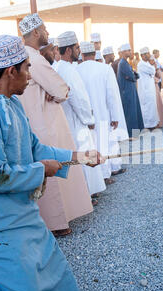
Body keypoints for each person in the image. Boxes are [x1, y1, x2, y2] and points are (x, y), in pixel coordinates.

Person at [0, 34, 104, 291]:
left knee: (56, 278)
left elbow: (34, 148)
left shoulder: (12, 103)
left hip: (22, 213)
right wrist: (40, 170)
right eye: (27, 68)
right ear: (11, 71)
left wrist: (80, 156)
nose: (30, 75)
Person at [17, 14, 93, 236]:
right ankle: (57, 223)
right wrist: (59, 93)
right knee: (52, 170)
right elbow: (61, 90)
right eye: (45, 30)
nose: (48, 34)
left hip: (33, 122)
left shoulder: (25, 56)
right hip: (44, 123)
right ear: (36, 33)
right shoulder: (35, 58)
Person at [55, 32, 108, 192]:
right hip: (76, 121)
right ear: (69, 50)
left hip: (71, 120)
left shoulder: (64, 67)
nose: (80, 50)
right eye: (77, 47)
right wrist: (89, 119)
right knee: (83, 155)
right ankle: (88, 193)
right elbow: (78, 99)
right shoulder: (67, 70)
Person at [77, 41, 127, 181]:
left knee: (91, 145)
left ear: (82, 54)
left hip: (86, 117)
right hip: (103, 114)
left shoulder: (77, 70)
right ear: (94, 54)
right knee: (104, 144)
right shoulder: (104, 69)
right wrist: (115, 116)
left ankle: (97, 178)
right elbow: (112, 96)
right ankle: (106, 175)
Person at [117, 43, 144, 137]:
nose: (130, 52)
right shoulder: (122, 63)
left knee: (134, 112)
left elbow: (134, 75)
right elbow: (132, 75)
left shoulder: (125, 62)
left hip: (130, 91)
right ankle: (131, 134)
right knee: (130, 114)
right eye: (128, 50)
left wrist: (134, 75)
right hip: (127, 92)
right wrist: (134, 75)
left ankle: (135, 133)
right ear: (124, 52)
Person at [137, 47, 159, 130]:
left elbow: (153, 72)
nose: (149, 55)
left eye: (148, 53)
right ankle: (147, 125)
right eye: (147, 54)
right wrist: (153, 66)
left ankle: (152, 124)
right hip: (145, 90)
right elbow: (153, 71)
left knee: (151, 107)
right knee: (147, 108)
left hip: (150, 90)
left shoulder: (146, 64)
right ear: (142, 55)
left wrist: (153, 67)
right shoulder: (141, 64)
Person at [149, 55, 163, 127]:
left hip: (155, 86)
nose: (153, 61)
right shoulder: (147, 67)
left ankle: (159, 121)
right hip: (150, 88)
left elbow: (159, 76)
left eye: (153, 60)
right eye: (152, 60)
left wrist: (156, 68)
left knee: (158, 103)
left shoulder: (155, 67)